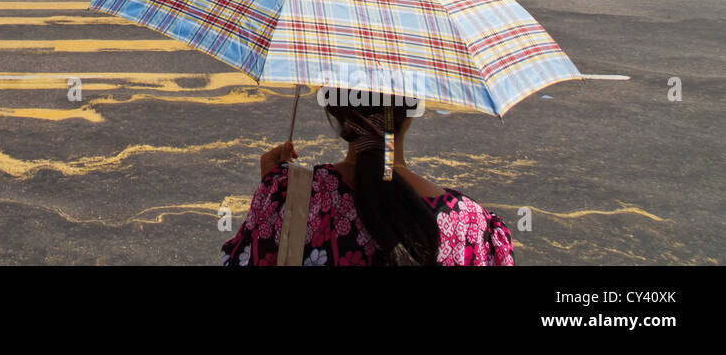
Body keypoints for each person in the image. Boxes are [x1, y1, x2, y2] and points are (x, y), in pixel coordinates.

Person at [221, 101, 515, 266]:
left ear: (336, 111)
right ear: (410, 113)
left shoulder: (293, 199)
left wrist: (274, 199)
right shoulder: (472, 227)